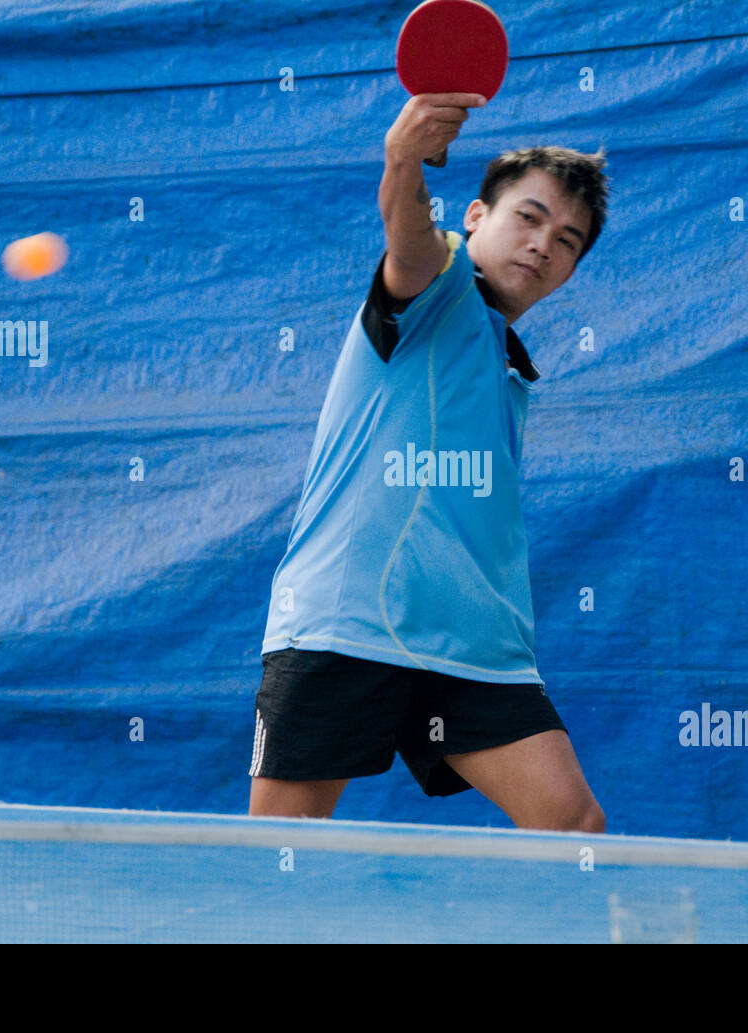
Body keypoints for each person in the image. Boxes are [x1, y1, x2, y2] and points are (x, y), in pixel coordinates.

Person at [249, 91, 609, 832]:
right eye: (529, 217)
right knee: (280, 857)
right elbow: (408, 235)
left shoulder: (508, 363)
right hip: (345, 624)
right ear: (475, 218)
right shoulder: (436, 284)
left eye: (568, 239)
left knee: (571, 826)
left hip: (471, 642)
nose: (544, 244)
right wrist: (403, 158)